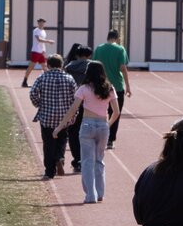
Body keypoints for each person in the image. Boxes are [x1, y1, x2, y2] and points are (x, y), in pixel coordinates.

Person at [60, 60, 119, 204]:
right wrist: (107, 124)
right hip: (103, 126)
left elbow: (73, 109)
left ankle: (90, 195)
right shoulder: (109, 89)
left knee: (87, 162)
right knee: (99, 161)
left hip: (87, 125)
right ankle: (100, 193)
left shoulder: (84, 88)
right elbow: (116, 112)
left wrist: (61, 125)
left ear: (88, 72)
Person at [29, 53, 78, 179]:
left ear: (48, 65)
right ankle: (59, 158)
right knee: (62, 140)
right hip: (64, 117)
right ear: (62, 65)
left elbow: (33, 93)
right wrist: (73, 113)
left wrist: (40, 104)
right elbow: (76, 98)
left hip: (47, 117)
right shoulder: (69, 78)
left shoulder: (42, 77)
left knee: (48, 143)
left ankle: (49, 171)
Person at [93, 29, 129, 147]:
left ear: (107, 37)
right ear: (117, 38)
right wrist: (128, 86)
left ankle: (97, 135)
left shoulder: (99, 48)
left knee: (99, 112)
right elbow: (123, 67)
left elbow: (94, 64)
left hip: (100, 84)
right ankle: (110, 139)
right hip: (116, 86)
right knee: (115, 112)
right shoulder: (120, 49)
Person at [63, 44, 94, 173]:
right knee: (89, 133)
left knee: (73, 132)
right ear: (89, 55)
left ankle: (77, 160)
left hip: (74, 102)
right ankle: (87, 160)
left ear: (77, 54)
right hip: (90, 104)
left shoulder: (69, 67)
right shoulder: (93, 66)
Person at [23, 17, 49, 87]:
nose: (42, 23)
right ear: (38, 23)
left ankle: (48, 82)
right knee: (31, 67)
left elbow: (42, 42)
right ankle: (24, 81)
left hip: (41, 52)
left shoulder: (43, 31)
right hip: (35, 51)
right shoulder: (36, 30)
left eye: (43, 22)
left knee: (44, 67)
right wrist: (48, 41)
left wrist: (44, 50)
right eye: (40, 22)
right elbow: (39, 40)